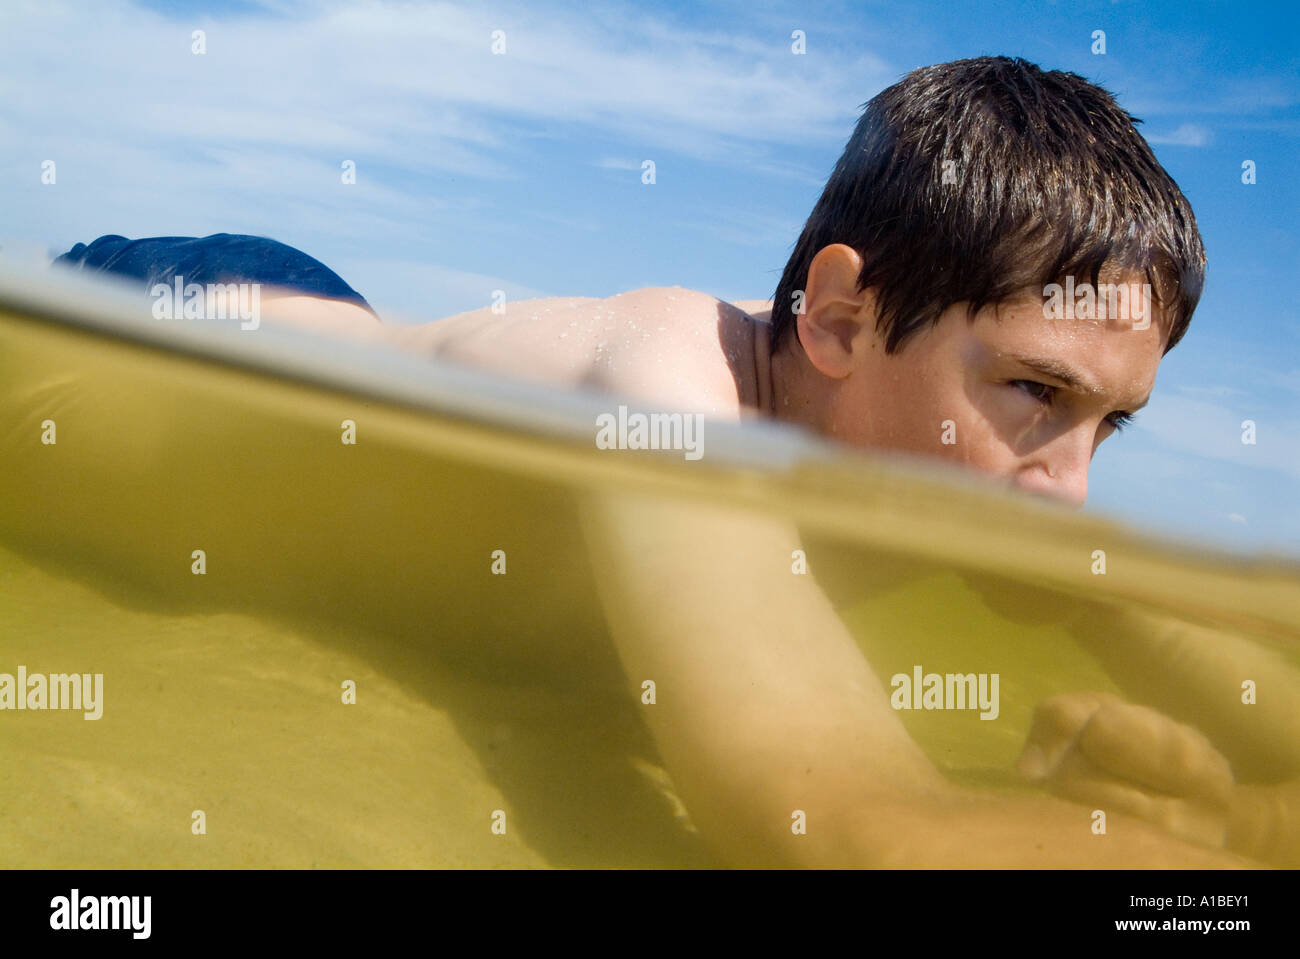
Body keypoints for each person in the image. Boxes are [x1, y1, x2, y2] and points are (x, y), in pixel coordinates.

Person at [54, 57, 1298, 866]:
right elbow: (857, 832)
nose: (1069, 482)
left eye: (1107, 424)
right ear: (840, 319)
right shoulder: (666, 384)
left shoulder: (978, 480)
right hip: (174, 314)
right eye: (1036, 390)